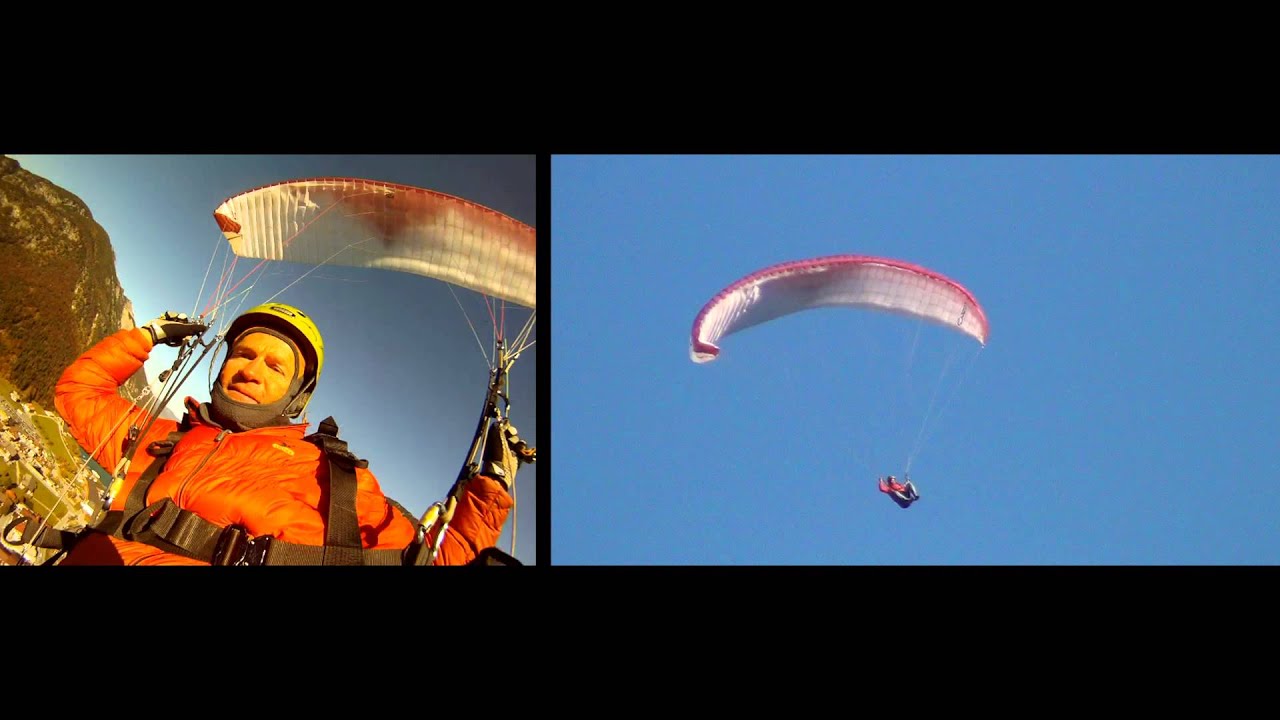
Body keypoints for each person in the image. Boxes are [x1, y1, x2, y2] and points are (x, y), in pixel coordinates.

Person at [47, 303, 522, 565]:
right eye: (243, 354)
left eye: (275, 366)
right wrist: (149, 334)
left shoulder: (330, 479)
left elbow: (438, 561)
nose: (250, 371)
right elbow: (78, 390)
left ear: (297, 395)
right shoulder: (160, 441)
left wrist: (493, 483)